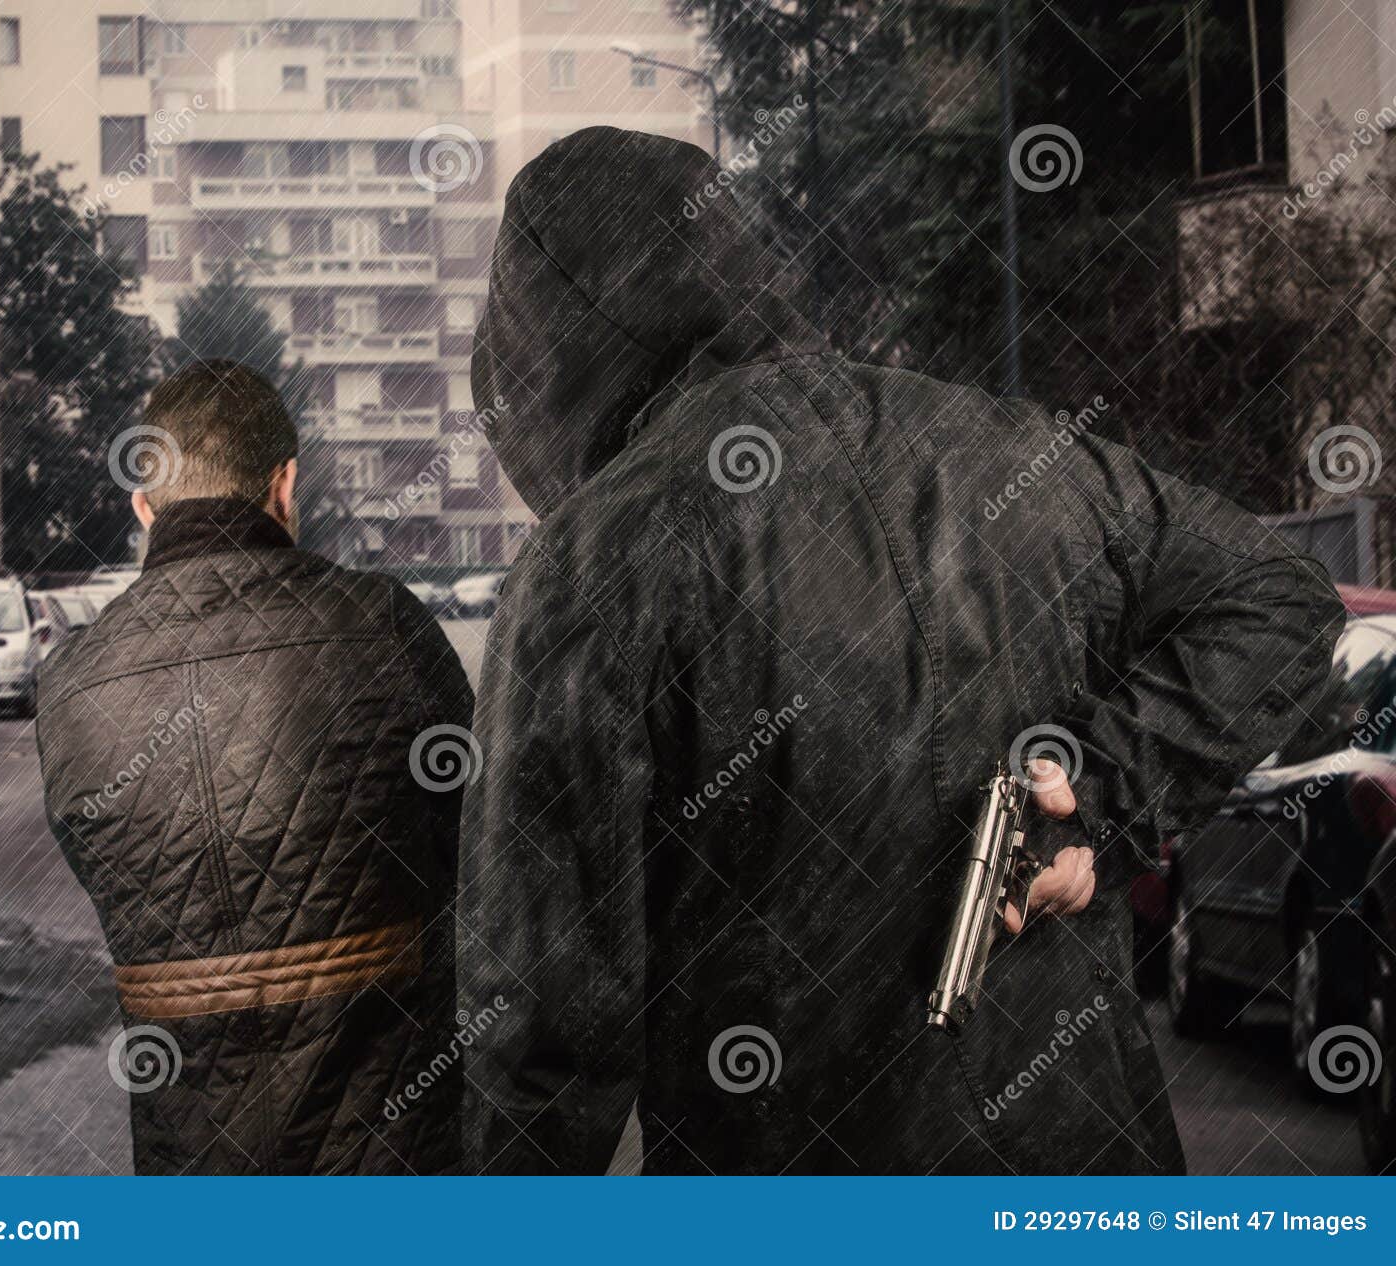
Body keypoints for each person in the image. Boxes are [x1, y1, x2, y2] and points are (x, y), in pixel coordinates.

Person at [457, 127, 1344, 1175]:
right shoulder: (1012, 453)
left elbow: (541, 1028)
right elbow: (1280, 594)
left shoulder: (596, 556)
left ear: (551, 346)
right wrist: (1096, 790)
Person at [36, 360, 470, 1174]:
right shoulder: (386, 627)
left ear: (144, 505)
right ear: (286, 483)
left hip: (192, 1165)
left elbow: (107, 878)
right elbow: (480, 856)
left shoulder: (73, 682)